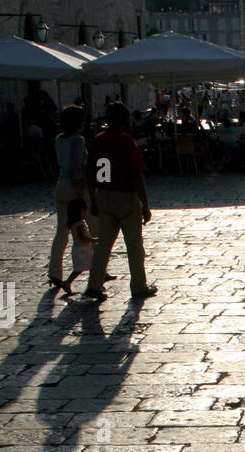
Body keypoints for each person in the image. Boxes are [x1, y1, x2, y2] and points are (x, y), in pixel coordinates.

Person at [83, 102, 156, 302]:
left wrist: (94, 198)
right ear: (125, 120)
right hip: (125, 197)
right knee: (134, 245)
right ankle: (138, 286)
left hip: (104, 195)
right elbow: (136, 175)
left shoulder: (97, 141)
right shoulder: (126, 142)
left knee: (103, 245)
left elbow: (90, 173)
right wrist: (145, 204)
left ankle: (94, 284)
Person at [49, 105, 89, 289]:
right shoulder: (78, 140)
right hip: (73, 187)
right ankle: (88, 270)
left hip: (60, 186)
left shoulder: (58, 139)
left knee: (61, 232)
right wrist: (81, 192)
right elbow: (77, 168)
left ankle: (55, 272)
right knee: (80, 231)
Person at [62, 197, 95, 294]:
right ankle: (93, 285)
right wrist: (95, 239)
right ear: (80, 211)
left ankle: (68, 282)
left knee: (79, 269)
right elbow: (84, 238)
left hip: (78, 249)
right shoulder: (80, 225)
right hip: (83, 250)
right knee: (90, 268)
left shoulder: (73, 224)